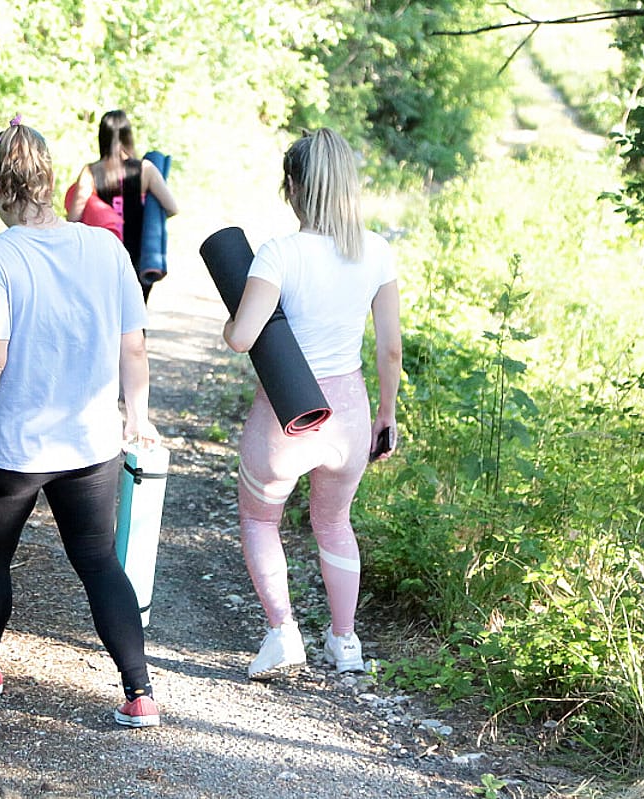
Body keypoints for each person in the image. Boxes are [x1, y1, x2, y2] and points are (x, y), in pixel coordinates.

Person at [0, 120, 162, 728]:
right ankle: (139, 693)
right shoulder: (105, 248)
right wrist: (137, 418)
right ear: (50, 179)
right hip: (91, 444)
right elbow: (134, 345)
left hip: (10, 449)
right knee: (99, 562)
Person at [221, 128, 403, 680]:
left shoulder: (280, 253)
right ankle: (345, 641)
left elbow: (242, 337)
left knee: (260, 518)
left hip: (287, 416)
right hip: (348, 415)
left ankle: (283, 633)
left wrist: (230, 322)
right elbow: (390, 349)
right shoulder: (376, 251)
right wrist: (387, 414)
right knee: (335, 521)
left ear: (294, 186)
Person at [66, 109, 178, 302]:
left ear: (102, 137)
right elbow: (172, 207)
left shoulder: (90, 172)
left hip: (103, 261)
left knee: (107, 313)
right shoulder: (146, 169)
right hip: (138, 259)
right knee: (136, 313)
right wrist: (150, 213)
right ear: (128, 136)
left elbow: (74, 218)